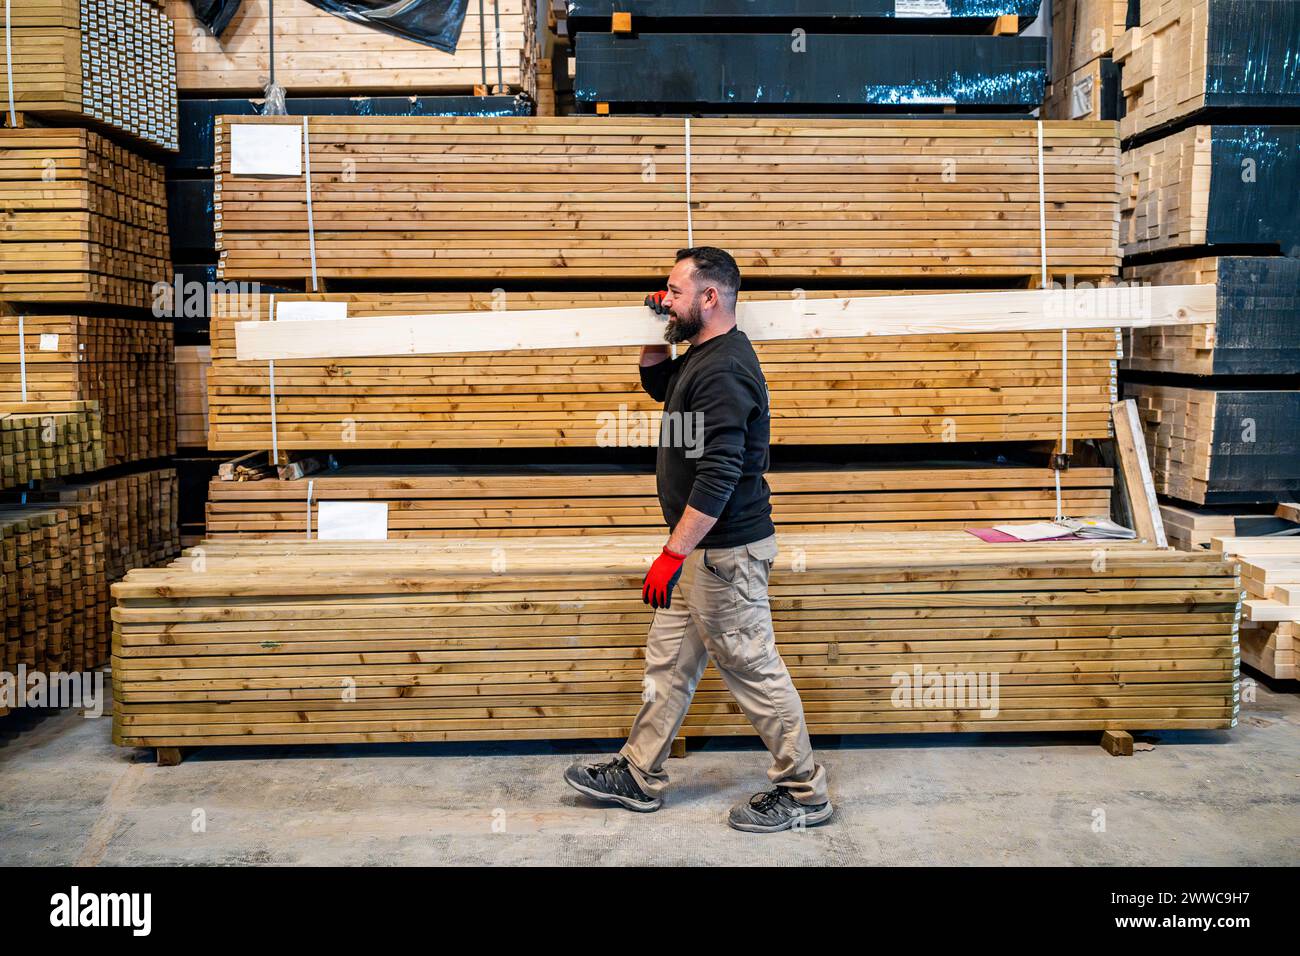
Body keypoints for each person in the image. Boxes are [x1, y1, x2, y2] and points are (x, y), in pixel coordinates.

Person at [563, 246, 832, 833]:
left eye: (675, 292)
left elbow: (720, 473)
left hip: (725, 555)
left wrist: (671, 553)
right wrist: (656, 327)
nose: (667, 299)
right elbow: (661, 386)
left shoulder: (725, 370)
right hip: (701, 557)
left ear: (711, 297)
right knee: (668, 667)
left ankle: (805, 793)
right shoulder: (698, 355)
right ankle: (639, 773)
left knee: (755, 671)